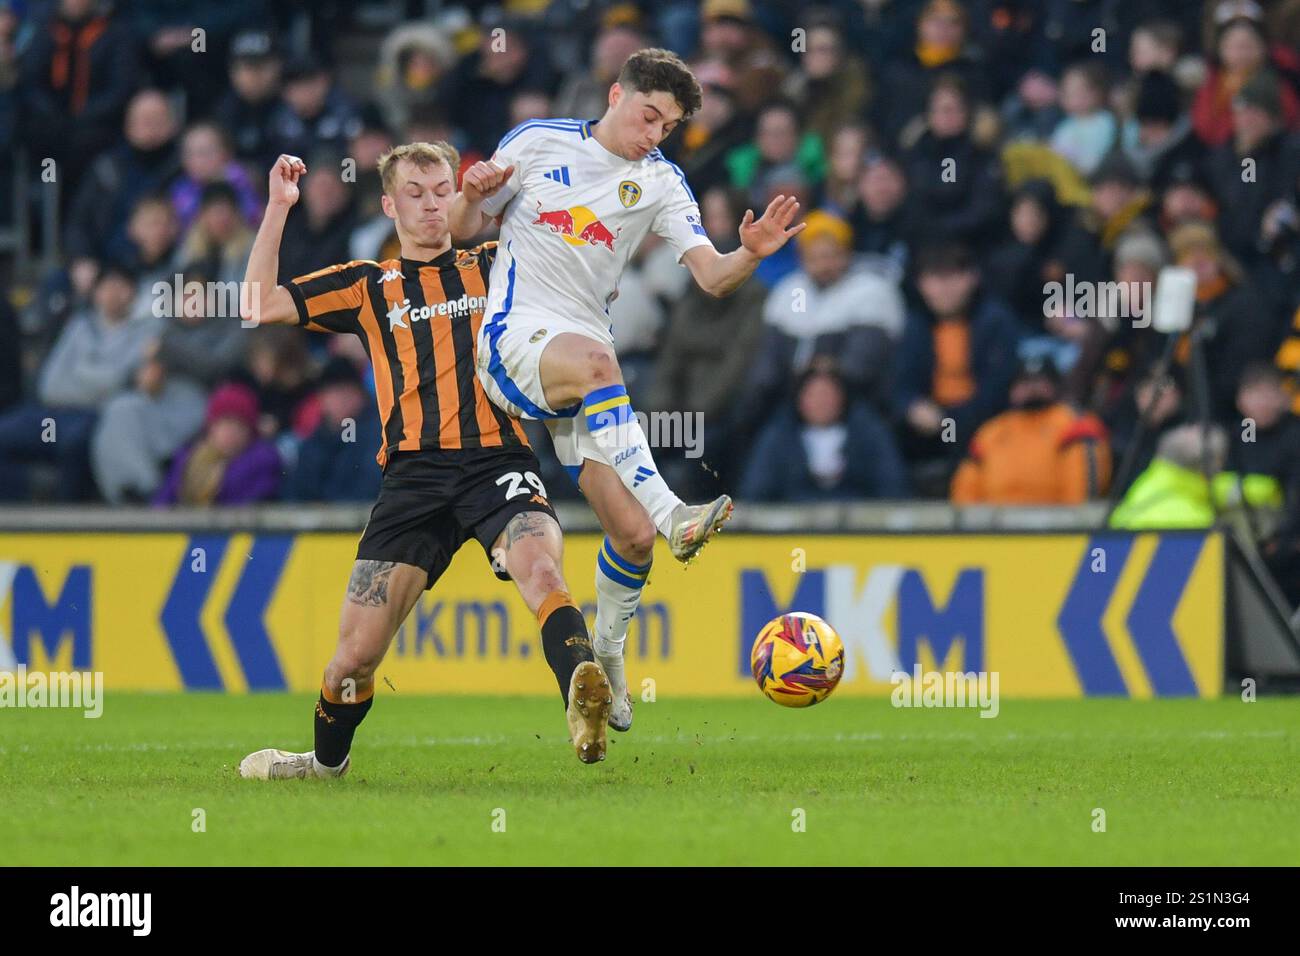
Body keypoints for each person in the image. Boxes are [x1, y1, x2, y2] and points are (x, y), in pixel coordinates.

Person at [449, 47, 805, 733]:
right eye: (648, 116)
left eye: (668, 127)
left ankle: (609, 662)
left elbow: (711, 276)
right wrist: (471, 192)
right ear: (615, 95)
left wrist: (750, 254)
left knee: (632, 537)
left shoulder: (663, 184)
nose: (653, 135)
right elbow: (465, 233)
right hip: (513, 339)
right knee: (603, 371)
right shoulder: (535, 141)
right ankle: (677, 513)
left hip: (584, 366)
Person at [237, 143, 615, 778]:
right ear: (389, 205)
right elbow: (258, 304)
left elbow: (589, 252)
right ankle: (325, 766)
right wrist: (278, 208)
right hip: (413, 476)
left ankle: (581, 692)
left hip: (498, 458)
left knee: (542, 572)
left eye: (442, 189)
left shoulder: (497, 264)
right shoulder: (368, 285)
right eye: (415, 192)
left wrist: (524, 190)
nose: (433, 203)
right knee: (353, 661)